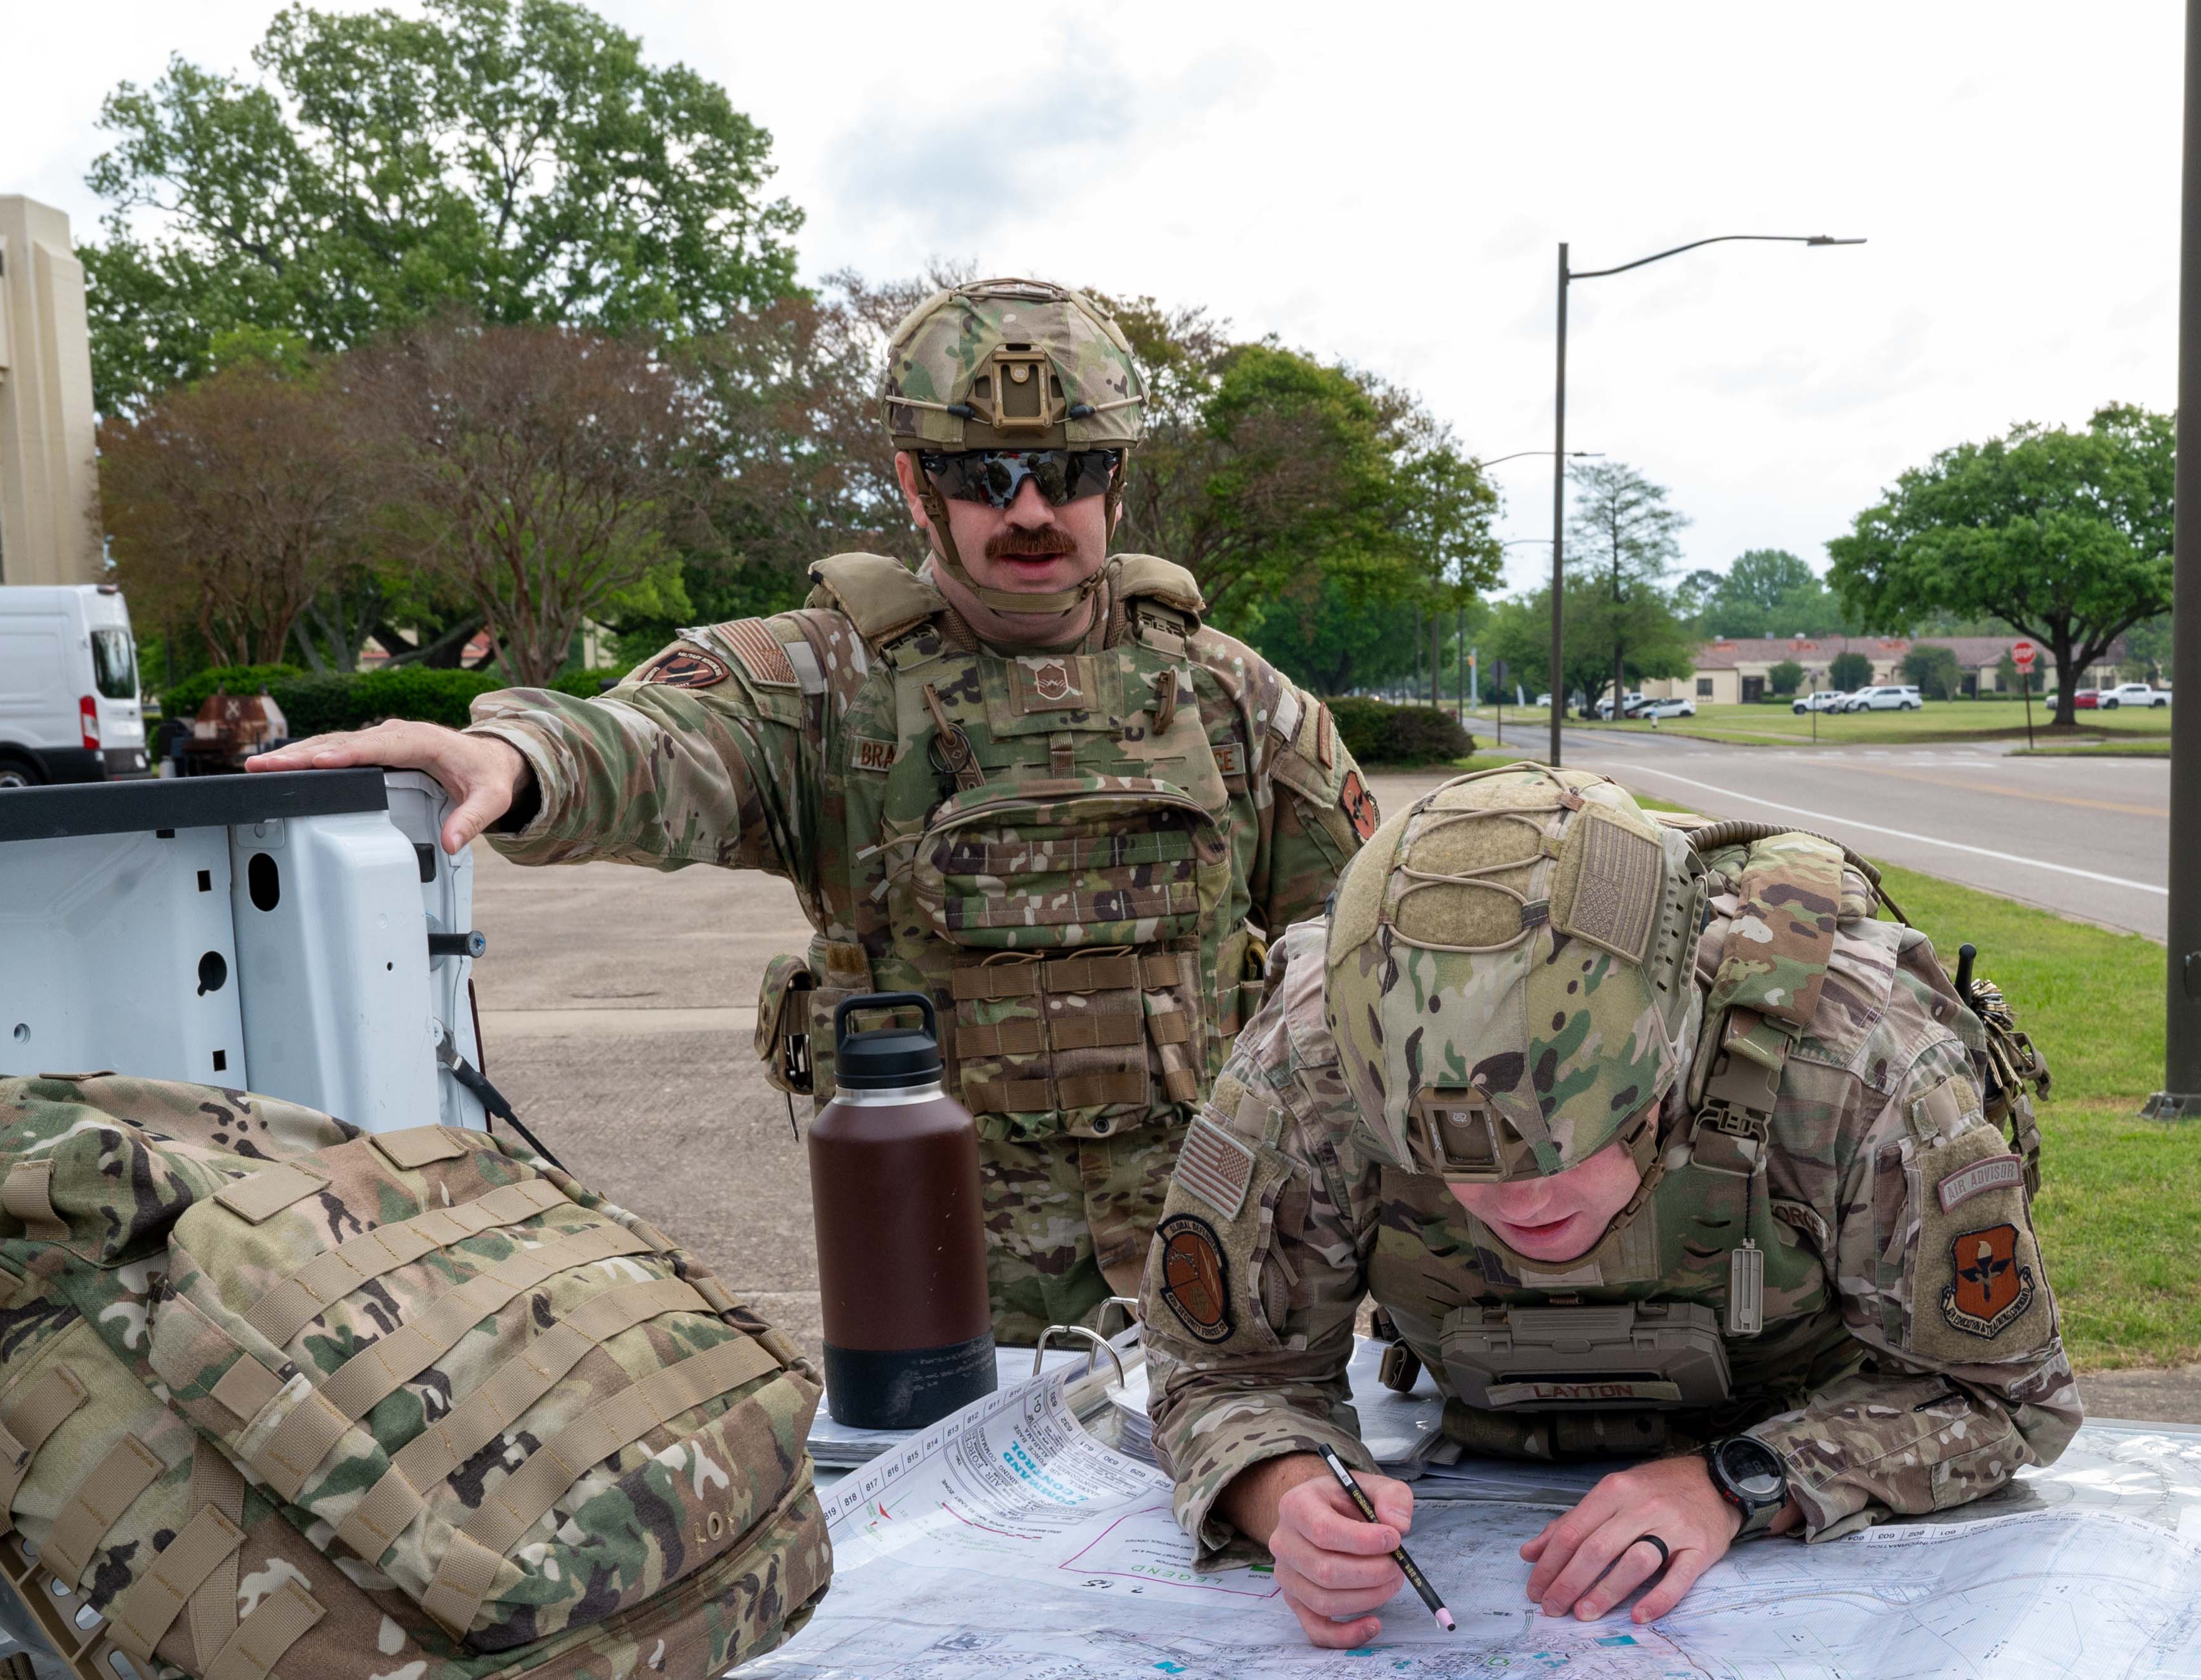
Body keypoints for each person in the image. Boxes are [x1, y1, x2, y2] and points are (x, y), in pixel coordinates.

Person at [250, 277, 1380, 1342]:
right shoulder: (822, 682)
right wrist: (512, 752)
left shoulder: (1232, 694)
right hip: (938, 1296)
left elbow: (1371, 944)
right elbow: (655, 740)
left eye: (1070, 470)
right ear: (913, 484)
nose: (1031, 510)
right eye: (983, 477)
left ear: (1116, 480)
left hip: (1219, 1289)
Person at [1141, 761, 2076, 1648]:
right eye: (1447, 1161)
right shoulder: (1310, 1062)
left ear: (1674, 1046)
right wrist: (1286, 1491)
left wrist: (1745, 1482)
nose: (1520, 1202)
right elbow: (1220, 1372)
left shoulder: (1856, 1059)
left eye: (1575, 1141)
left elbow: (2001, 1394)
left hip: (1799, 1451)